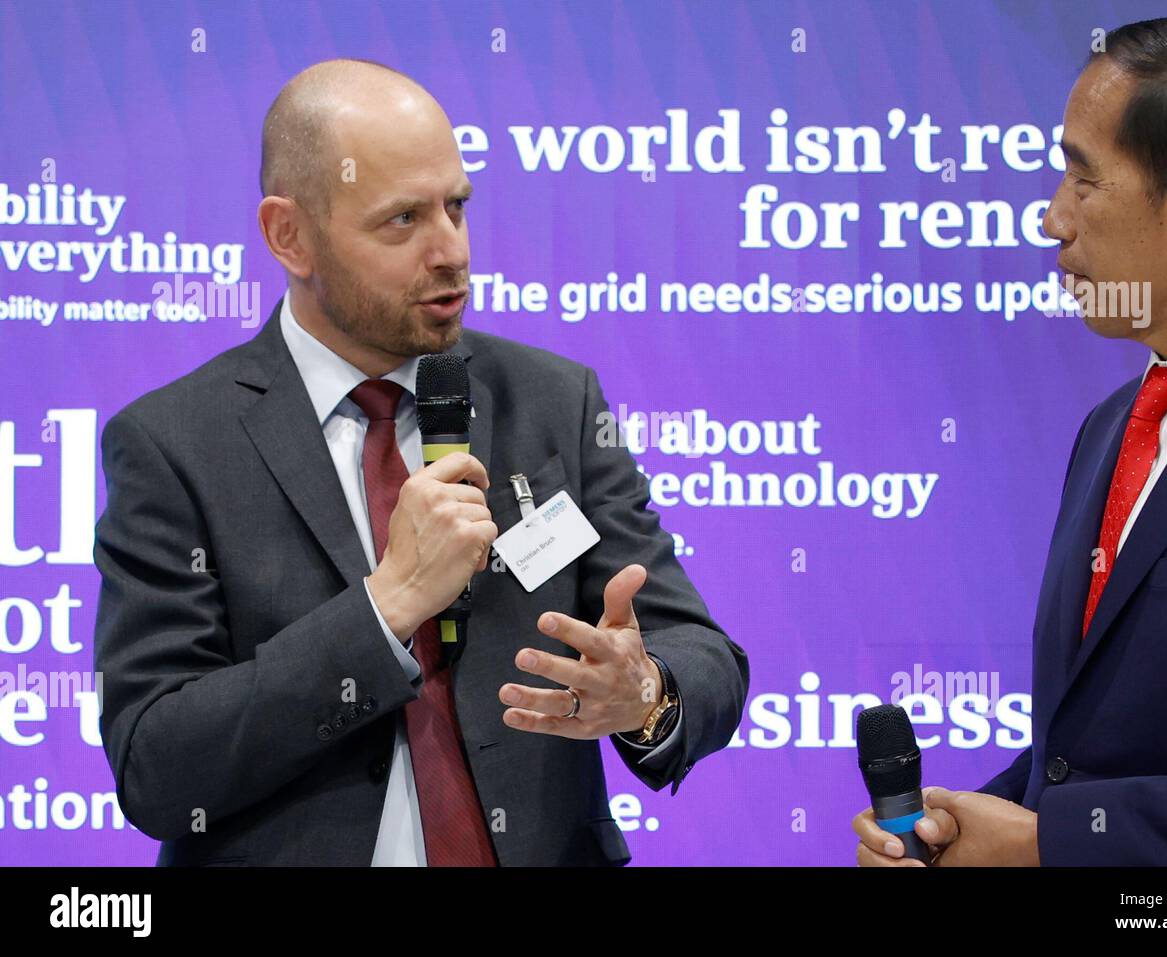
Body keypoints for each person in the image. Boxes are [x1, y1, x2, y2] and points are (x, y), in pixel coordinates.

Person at [94, 58, 748, 866]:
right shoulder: (176, 443)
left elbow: (705, 655)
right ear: (287, 235)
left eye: (457, 206)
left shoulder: (553, 402)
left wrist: (647, 690)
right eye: (401, 220)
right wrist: (390, 602)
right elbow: (158, 764)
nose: (451, 252)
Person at [855, 14, 1167, 866]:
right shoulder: (1114, 428)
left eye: (1083, 180)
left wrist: (1050, 843)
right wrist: (957, 828)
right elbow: (1088, 748)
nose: (1054, 220)